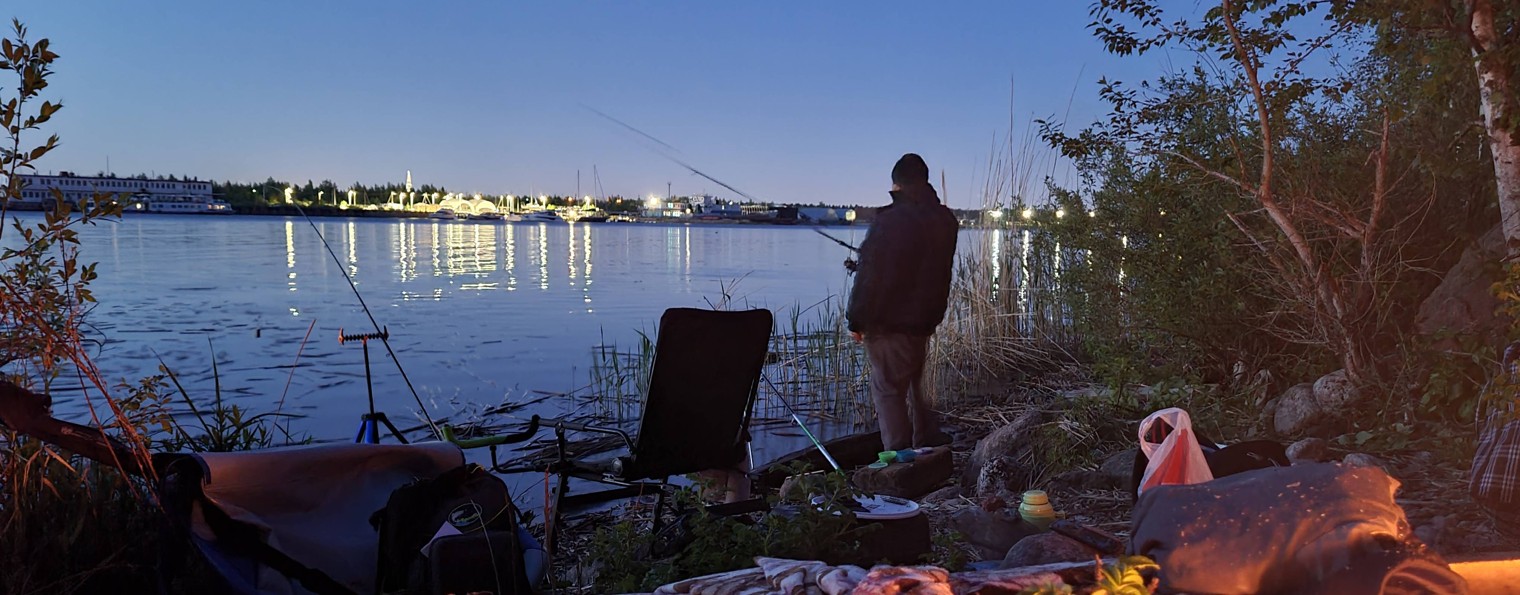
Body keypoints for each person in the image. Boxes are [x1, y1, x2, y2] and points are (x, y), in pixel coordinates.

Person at [846, 153, 959, 451]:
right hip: (923, 320)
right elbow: (915, 264)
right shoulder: (945, 220)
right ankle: (927, 443)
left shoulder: (891, 220)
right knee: (916, 385)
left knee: (887, 390)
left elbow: (873, 277)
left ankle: (898, 459)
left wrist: (856, 321)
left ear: (896, 184)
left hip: (888, 323)